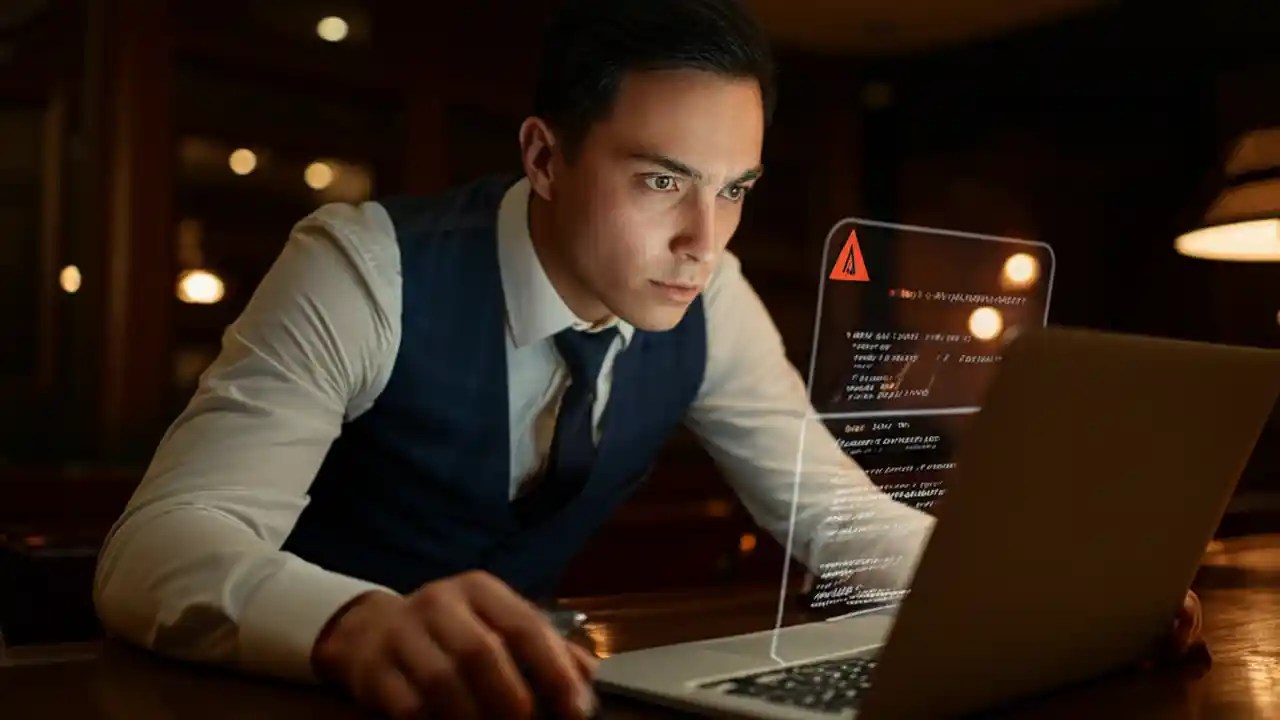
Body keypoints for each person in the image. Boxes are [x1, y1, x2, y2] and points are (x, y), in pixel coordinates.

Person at [92, 1, 1203, 719]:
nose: (704, 241)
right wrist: (352, 621)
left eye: (734, 190)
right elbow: (161, 547)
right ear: (542, 154)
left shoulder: (708, 294)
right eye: (662, 179)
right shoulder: (365, 267)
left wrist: (1055, 593)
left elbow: (836, 516)